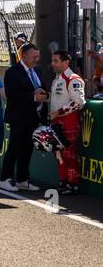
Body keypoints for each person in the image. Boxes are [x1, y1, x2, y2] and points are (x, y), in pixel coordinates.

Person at [0, 42, 47, 192]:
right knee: (14, 147)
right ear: (24, 55)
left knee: (27, 149)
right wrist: (33, 97)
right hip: (18, 117)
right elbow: (12, 94)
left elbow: (42, 87)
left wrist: (44, 94)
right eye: (34, 56)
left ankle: (22, 179)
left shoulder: (37, 70)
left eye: (38, 56)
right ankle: (4, 179)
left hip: (33, 117)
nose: (37, 59)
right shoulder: (12, 72)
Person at [47, 51, 86, 195]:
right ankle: (63, 181)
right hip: (56, 122)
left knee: (69, 153)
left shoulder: (73, 78)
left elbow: (79, 102)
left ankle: (73, 184)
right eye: (53, 60)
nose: (53, 63)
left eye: (56, 61)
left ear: (66, 62)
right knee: (58, 153)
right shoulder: (57, 79)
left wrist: (59, 112)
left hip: (69, 122)